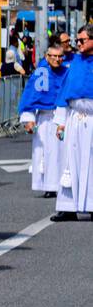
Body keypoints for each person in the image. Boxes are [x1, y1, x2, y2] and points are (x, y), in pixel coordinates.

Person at [52, 24, 93, 221]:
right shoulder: (75, 63)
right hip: (75, 118)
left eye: (82, 40)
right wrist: (60, 122)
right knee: (69, 161)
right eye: (77, 40)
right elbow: (64, 94)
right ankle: (67, 206)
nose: (77, 44)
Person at [19, 45, 69, 197]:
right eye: (53, 56)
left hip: (63, 117)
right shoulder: (40, 74)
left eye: (60, 56)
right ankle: (49, 185)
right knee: (46, 153)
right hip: (45, 119)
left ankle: (63, 184)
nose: (57, 59)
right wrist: (28, 119)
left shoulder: (67, 72)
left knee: (63, 153)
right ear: (47, 56)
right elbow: (30, 96)